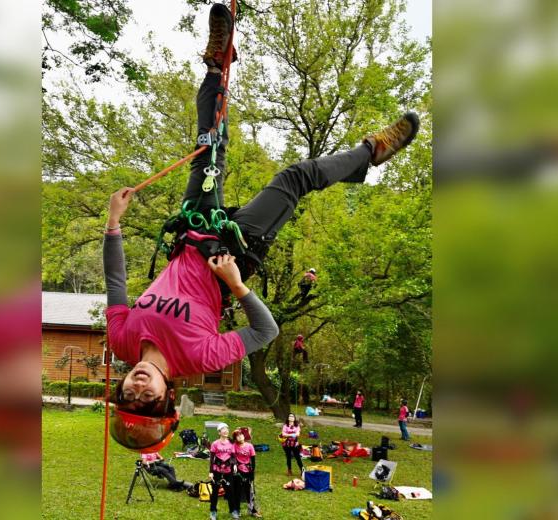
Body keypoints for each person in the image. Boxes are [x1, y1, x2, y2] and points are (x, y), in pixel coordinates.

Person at [104, 3, 420, 452]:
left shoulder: (122, 341)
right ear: (168, 396)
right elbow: (264, 333)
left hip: (192, 230)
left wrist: (113, 224)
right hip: (232, 248)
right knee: (295, 178)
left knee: (208, 142)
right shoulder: (198, 357)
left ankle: (218, 63)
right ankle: (371, 152)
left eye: (128, 397)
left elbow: (115, 283)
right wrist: (235, 286)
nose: (136, 388)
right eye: (147, 399)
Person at [208, 423, 237, 520]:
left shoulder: (231, 443)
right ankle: (213, 512)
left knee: (230, 491)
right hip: (217, 471)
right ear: (219, 432)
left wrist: (234, 465)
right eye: (223, 429)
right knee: (215, 492)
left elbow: (233, 456)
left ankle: (233, 510)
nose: (226, 431)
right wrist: (211, 472)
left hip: (228, 471)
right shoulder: (215, 444)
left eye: (227, 429)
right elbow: (212, 459)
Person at [231, 429, 262, 518]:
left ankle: (252, 510)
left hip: (248, 471)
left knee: (250, 492)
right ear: (235, 438)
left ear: (244, 436)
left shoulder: (250, 446)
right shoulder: (234, 446)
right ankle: (237, 510)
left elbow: (253, 460)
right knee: (237, 492)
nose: (240, 436)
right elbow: (232, 457)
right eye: (237, 435)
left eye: (241, 434)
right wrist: (234, 465)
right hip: (238, 472)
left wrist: (252, 473)